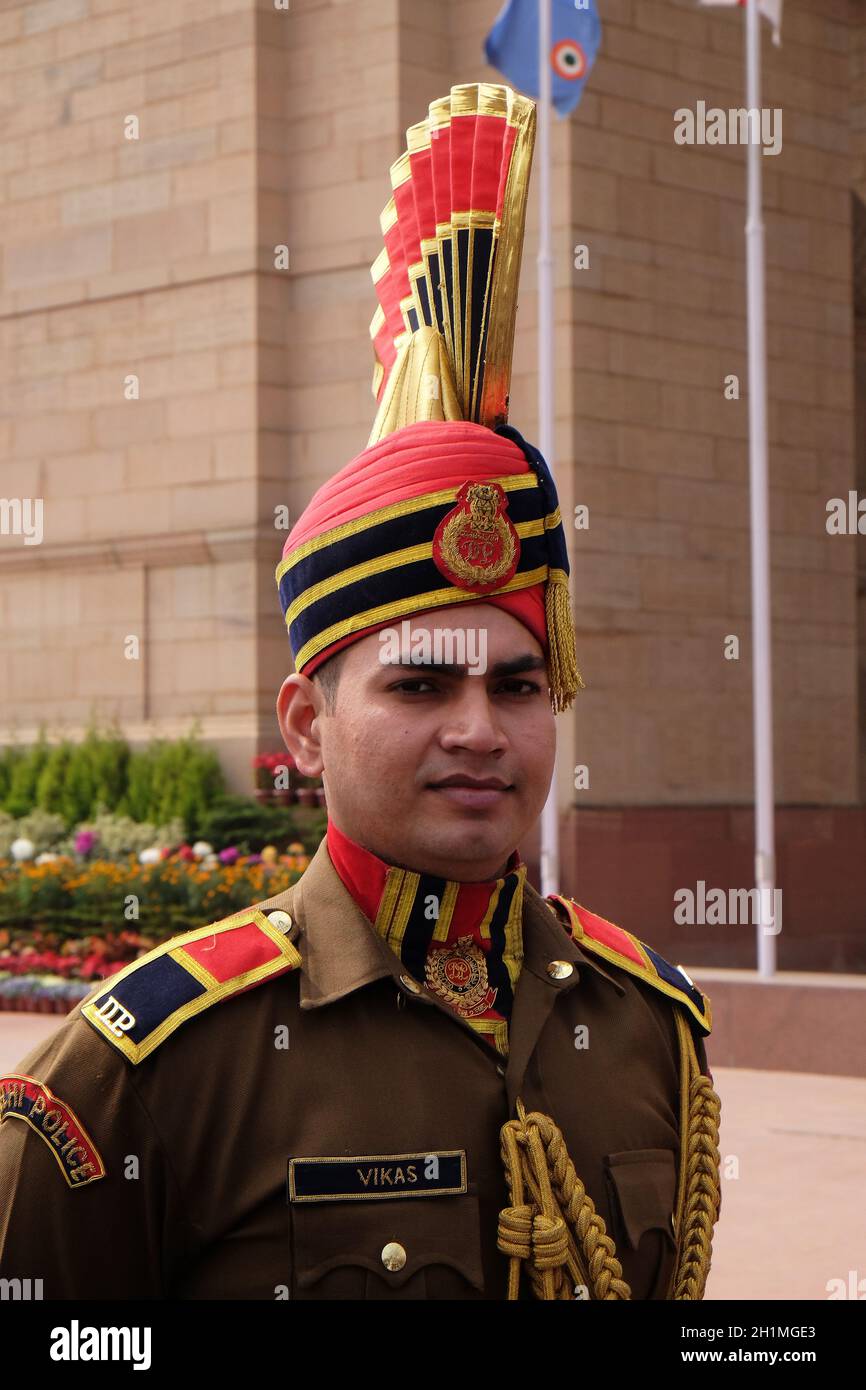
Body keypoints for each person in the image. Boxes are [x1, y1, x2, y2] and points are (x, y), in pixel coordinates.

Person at [0, 82, 721, 1301]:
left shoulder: (648, 1022)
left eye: (519, 682)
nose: (480, 731)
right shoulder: (145, 1066)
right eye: (419, 685)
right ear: (305, 726)